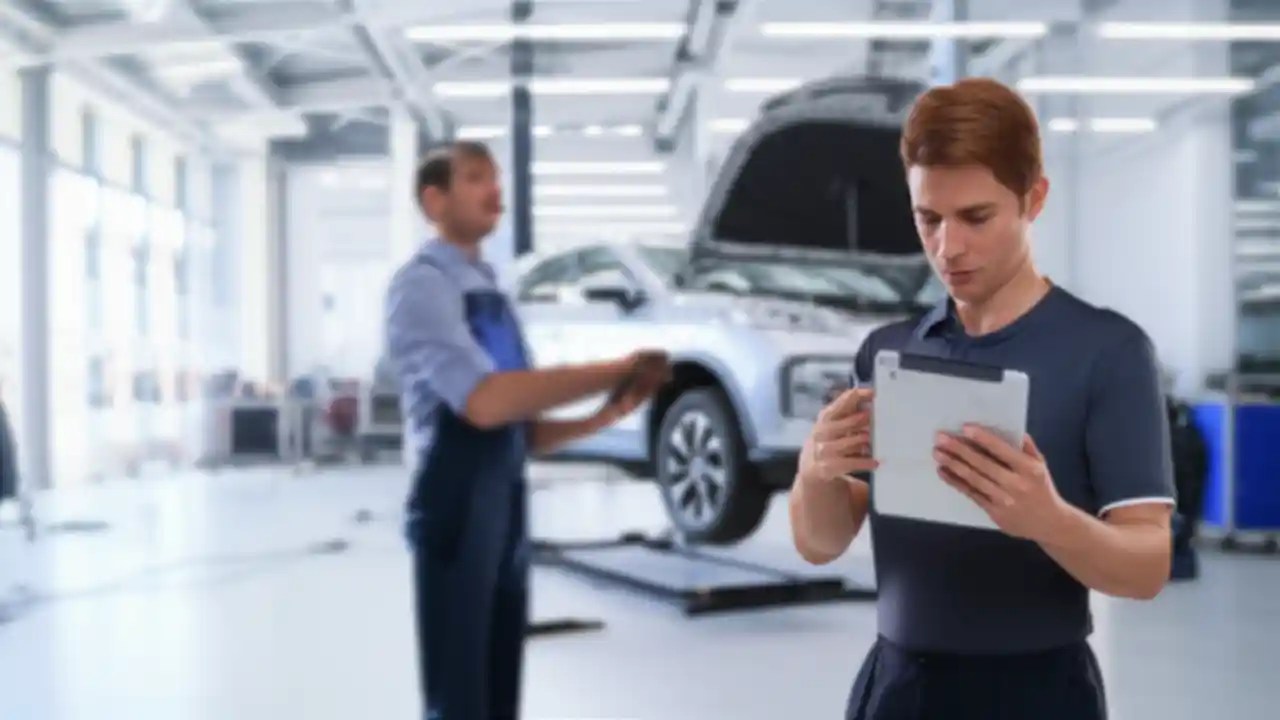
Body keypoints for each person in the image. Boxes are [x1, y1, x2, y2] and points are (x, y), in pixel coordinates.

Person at [788, 78, 1176, 720]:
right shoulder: (886, 353)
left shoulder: (1108, 353)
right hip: (897, 690)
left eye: (976, 217)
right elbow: (821, 544)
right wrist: (815, 472)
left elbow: (1148, 566)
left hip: (1040, 694)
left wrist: (1048, 520)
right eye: (928, 218)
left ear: (1034, 199)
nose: (949, 248)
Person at [384, 141, 670, 719]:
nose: (494, 190)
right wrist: (615, 369)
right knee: (460, 693)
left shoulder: (491, 289)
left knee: (498, 686)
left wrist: (609, 412)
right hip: (454, 499)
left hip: (505, 501)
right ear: (434, 200)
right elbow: (485, 403)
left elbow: (524, 430)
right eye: (474, 178)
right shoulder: (423, 286)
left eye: (495, 178)